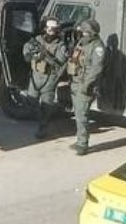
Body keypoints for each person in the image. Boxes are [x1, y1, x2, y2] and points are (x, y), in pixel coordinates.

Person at [22, 18, 69, 140]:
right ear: (45, 29)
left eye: (54, 30)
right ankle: (40, 118)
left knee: (47, 104)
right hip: (36, 75)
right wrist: (33, 55)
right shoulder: (37, 40)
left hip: (50, 77)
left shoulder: (60, 45)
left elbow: (60, 61)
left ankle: (43, 126)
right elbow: (26, 51)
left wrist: (46, 57)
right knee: (31, 100)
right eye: (49, 29)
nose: (51, 32)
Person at [67, 19, 106, 156]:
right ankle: (80, 140)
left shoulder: (97, 47)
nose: (83, 34)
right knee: (78, 113)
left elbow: (96, 69)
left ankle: (82, 144)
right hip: (76, 82)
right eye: (82, 32)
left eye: (86, 32)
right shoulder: (83, 43)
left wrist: (85, 85)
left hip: (86, 85)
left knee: (82, 115)